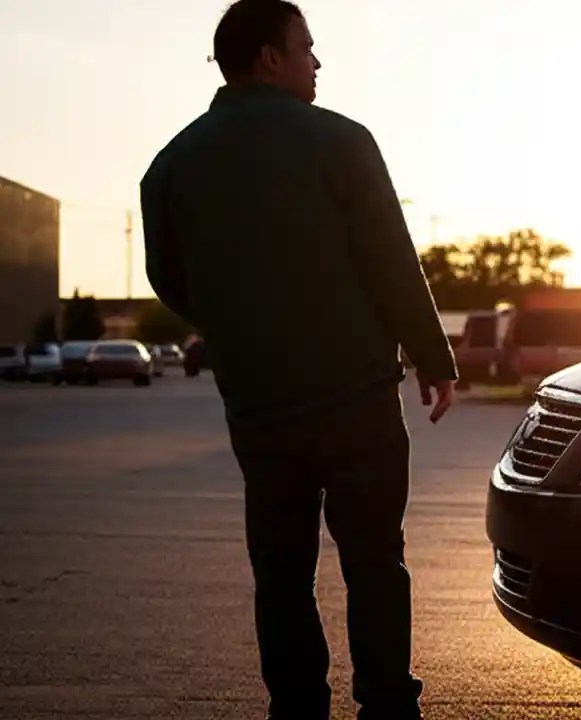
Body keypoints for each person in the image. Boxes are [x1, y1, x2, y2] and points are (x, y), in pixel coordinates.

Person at [139, 1, 457, 718]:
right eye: (307, 47)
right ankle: (385, 705)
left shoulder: (170, 166)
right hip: (357, 402)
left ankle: (297, 708)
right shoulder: (341, 141)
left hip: (260, 408)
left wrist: (241, 327)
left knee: (280, 575)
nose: (318, 62)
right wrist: (434, 356)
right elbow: (391, 263)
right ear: (268, 57)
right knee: (376, 566)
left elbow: (170, 279)